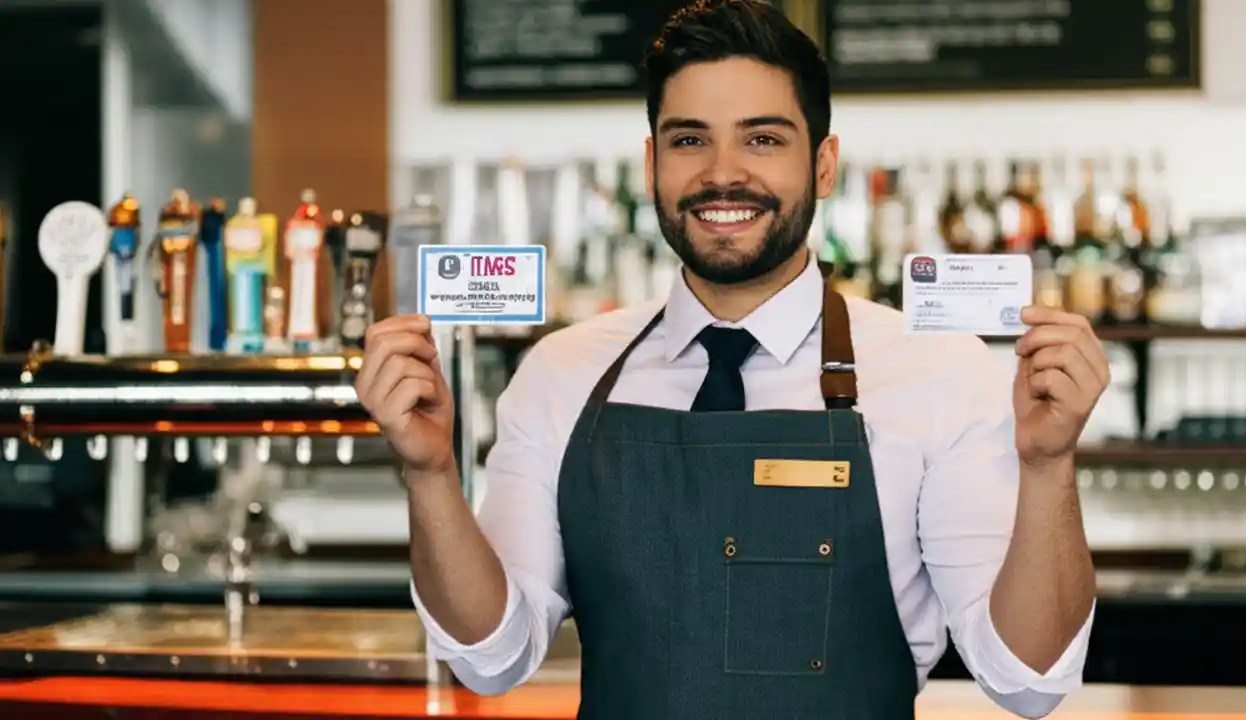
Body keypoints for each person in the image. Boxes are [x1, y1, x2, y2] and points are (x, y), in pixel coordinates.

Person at [356, 1, 1104, 717]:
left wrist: (1049, 469)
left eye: (763, 138)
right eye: (689, 139)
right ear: (652, 164)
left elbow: (1028, 683)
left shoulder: (940, 371)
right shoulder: (562, 373)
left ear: (824, 164)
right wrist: (429, 476)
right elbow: (492, 660)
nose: (721, 173)